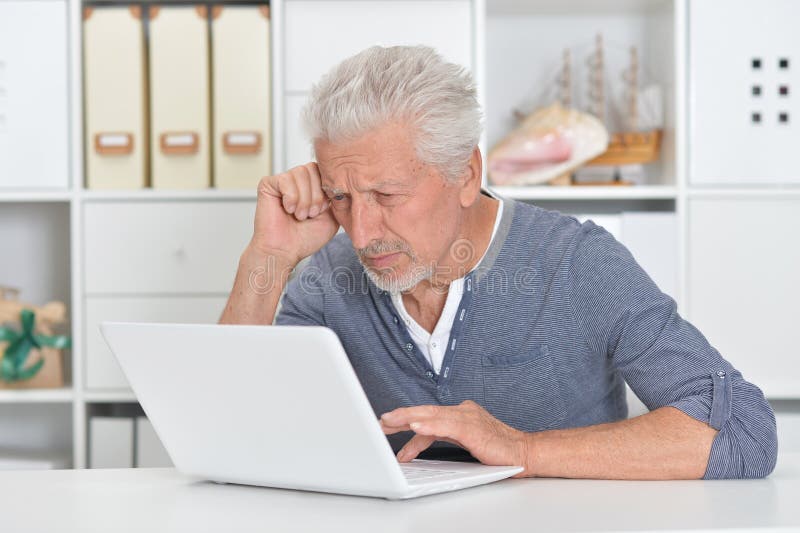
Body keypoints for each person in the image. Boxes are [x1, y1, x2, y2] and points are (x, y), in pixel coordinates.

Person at [219, 45, 777, 480]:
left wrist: (523, 450)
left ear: (466, 175)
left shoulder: (578, 264)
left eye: (386, 195)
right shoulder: (325, 278)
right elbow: (230, 434)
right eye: (340, 196)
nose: (362, 233)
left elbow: (745, 435)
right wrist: (266, 258)